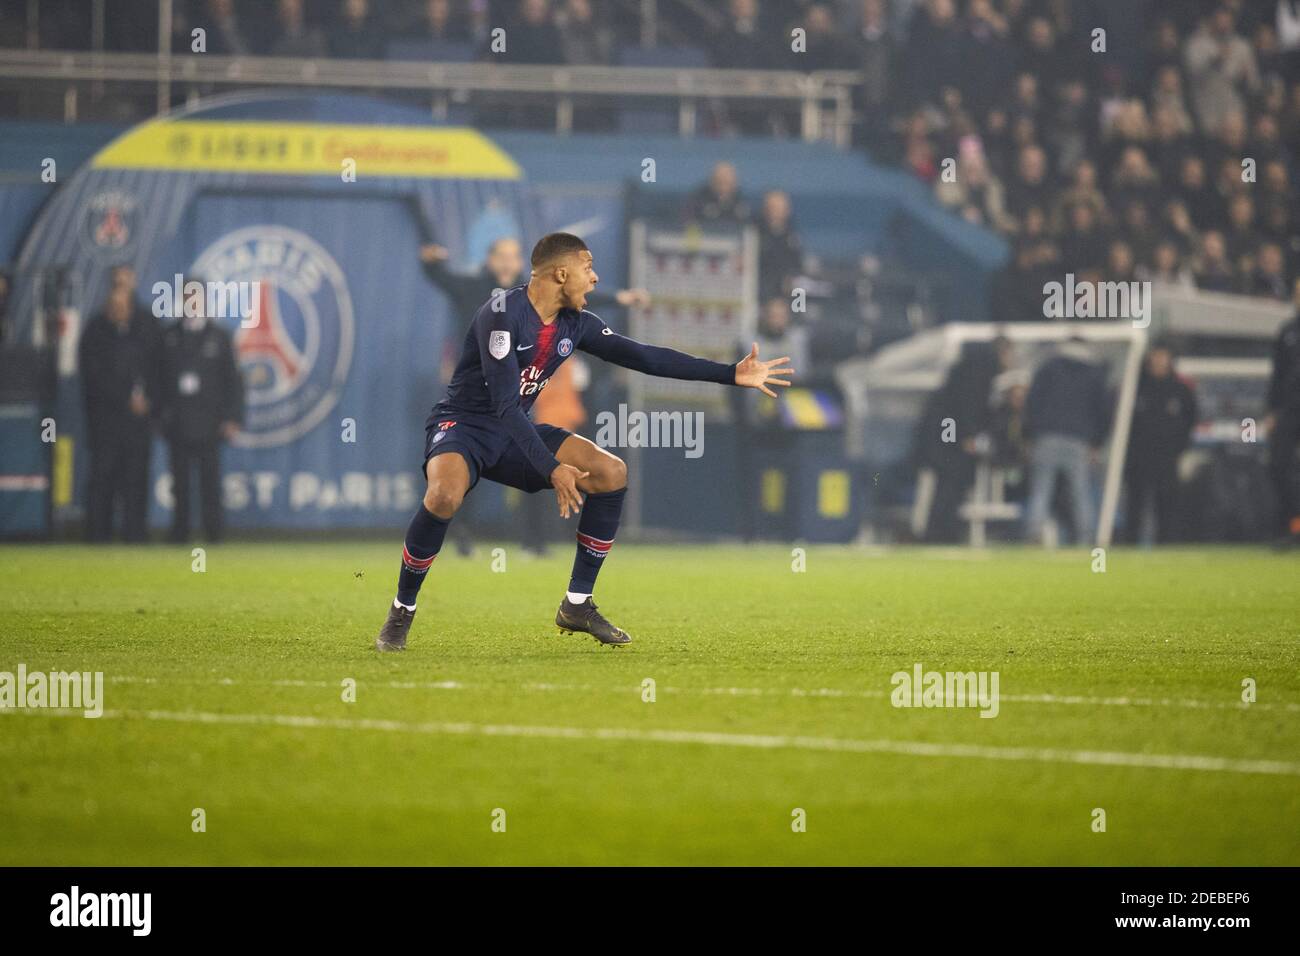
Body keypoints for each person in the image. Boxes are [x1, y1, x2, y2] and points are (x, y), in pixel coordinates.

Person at [374, 232, 793, 651]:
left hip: (514, 430)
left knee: (611, 472)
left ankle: (577, 604)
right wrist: (552, 469)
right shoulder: (501, 314)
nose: (594, 278)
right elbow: (503, 404)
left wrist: (729, 374)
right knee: (445, 496)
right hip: (465, 426)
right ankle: (401, 611)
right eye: (588, 267)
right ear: (561, 272)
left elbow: (646, 357)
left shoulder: (577, 323)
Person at [155, 282, 245, 543]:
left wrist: (232, 417)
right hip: (178, 423)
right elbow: (157, 380)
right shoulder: (168, 336)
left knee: (210, 482)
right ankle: (179, 533)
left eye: (196, 297)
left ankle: (214, 534)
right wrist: (160, 416)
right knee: (180, 483)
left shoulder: (220, 336)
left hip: (211, 423)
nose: (192, 302)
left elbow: (234, 381)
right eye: (187, 297)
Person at [78, 285, 156, 542]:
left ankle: (135, 537)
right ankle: (97, 537)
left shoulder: (143, 332)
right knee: (102, 482)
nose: (119, 312)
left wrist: (149, 402)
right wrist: (125, 400)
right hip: (105, 423)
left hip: (136, 426)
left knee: (135, 482)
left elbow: (159, 371)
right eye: (114, 307)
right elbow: (93, 377)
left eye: (123, 307)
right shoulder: (95, 333)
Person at [1023, 337, 1111, 545]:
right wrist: (1096, 442)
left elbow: (1032, 403)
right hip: (1078, 440)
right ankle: (1086, 537)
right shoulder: (1094, 374)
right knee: (1080, 491)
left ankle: (1034, 533)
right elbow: (1103, 412)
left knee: (1041, 489)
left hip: (1047, 437)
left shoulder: (1048, 369)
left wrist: (1029, 435)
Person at [1124, 344, 1197, 544]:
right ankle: (1129, 545)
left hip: (1167, 457)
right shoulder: (1135, 387)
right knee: (1135, 504)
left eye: (1163, 355)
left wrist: (1180, 448)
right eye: (1155, 355)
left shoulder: (1180, 390)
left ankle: (1166, 545)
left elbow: (1190, 420)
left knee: (1166, 505)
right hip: (1138, 457)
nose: (1159, 360)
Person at [1265, 278, 1300, 545]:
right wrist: (1271, 411)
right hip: (1289, 411)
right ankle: (1290, 526)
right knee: (1278, 465)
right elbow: (1277, 376)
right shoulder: (1287, 331)